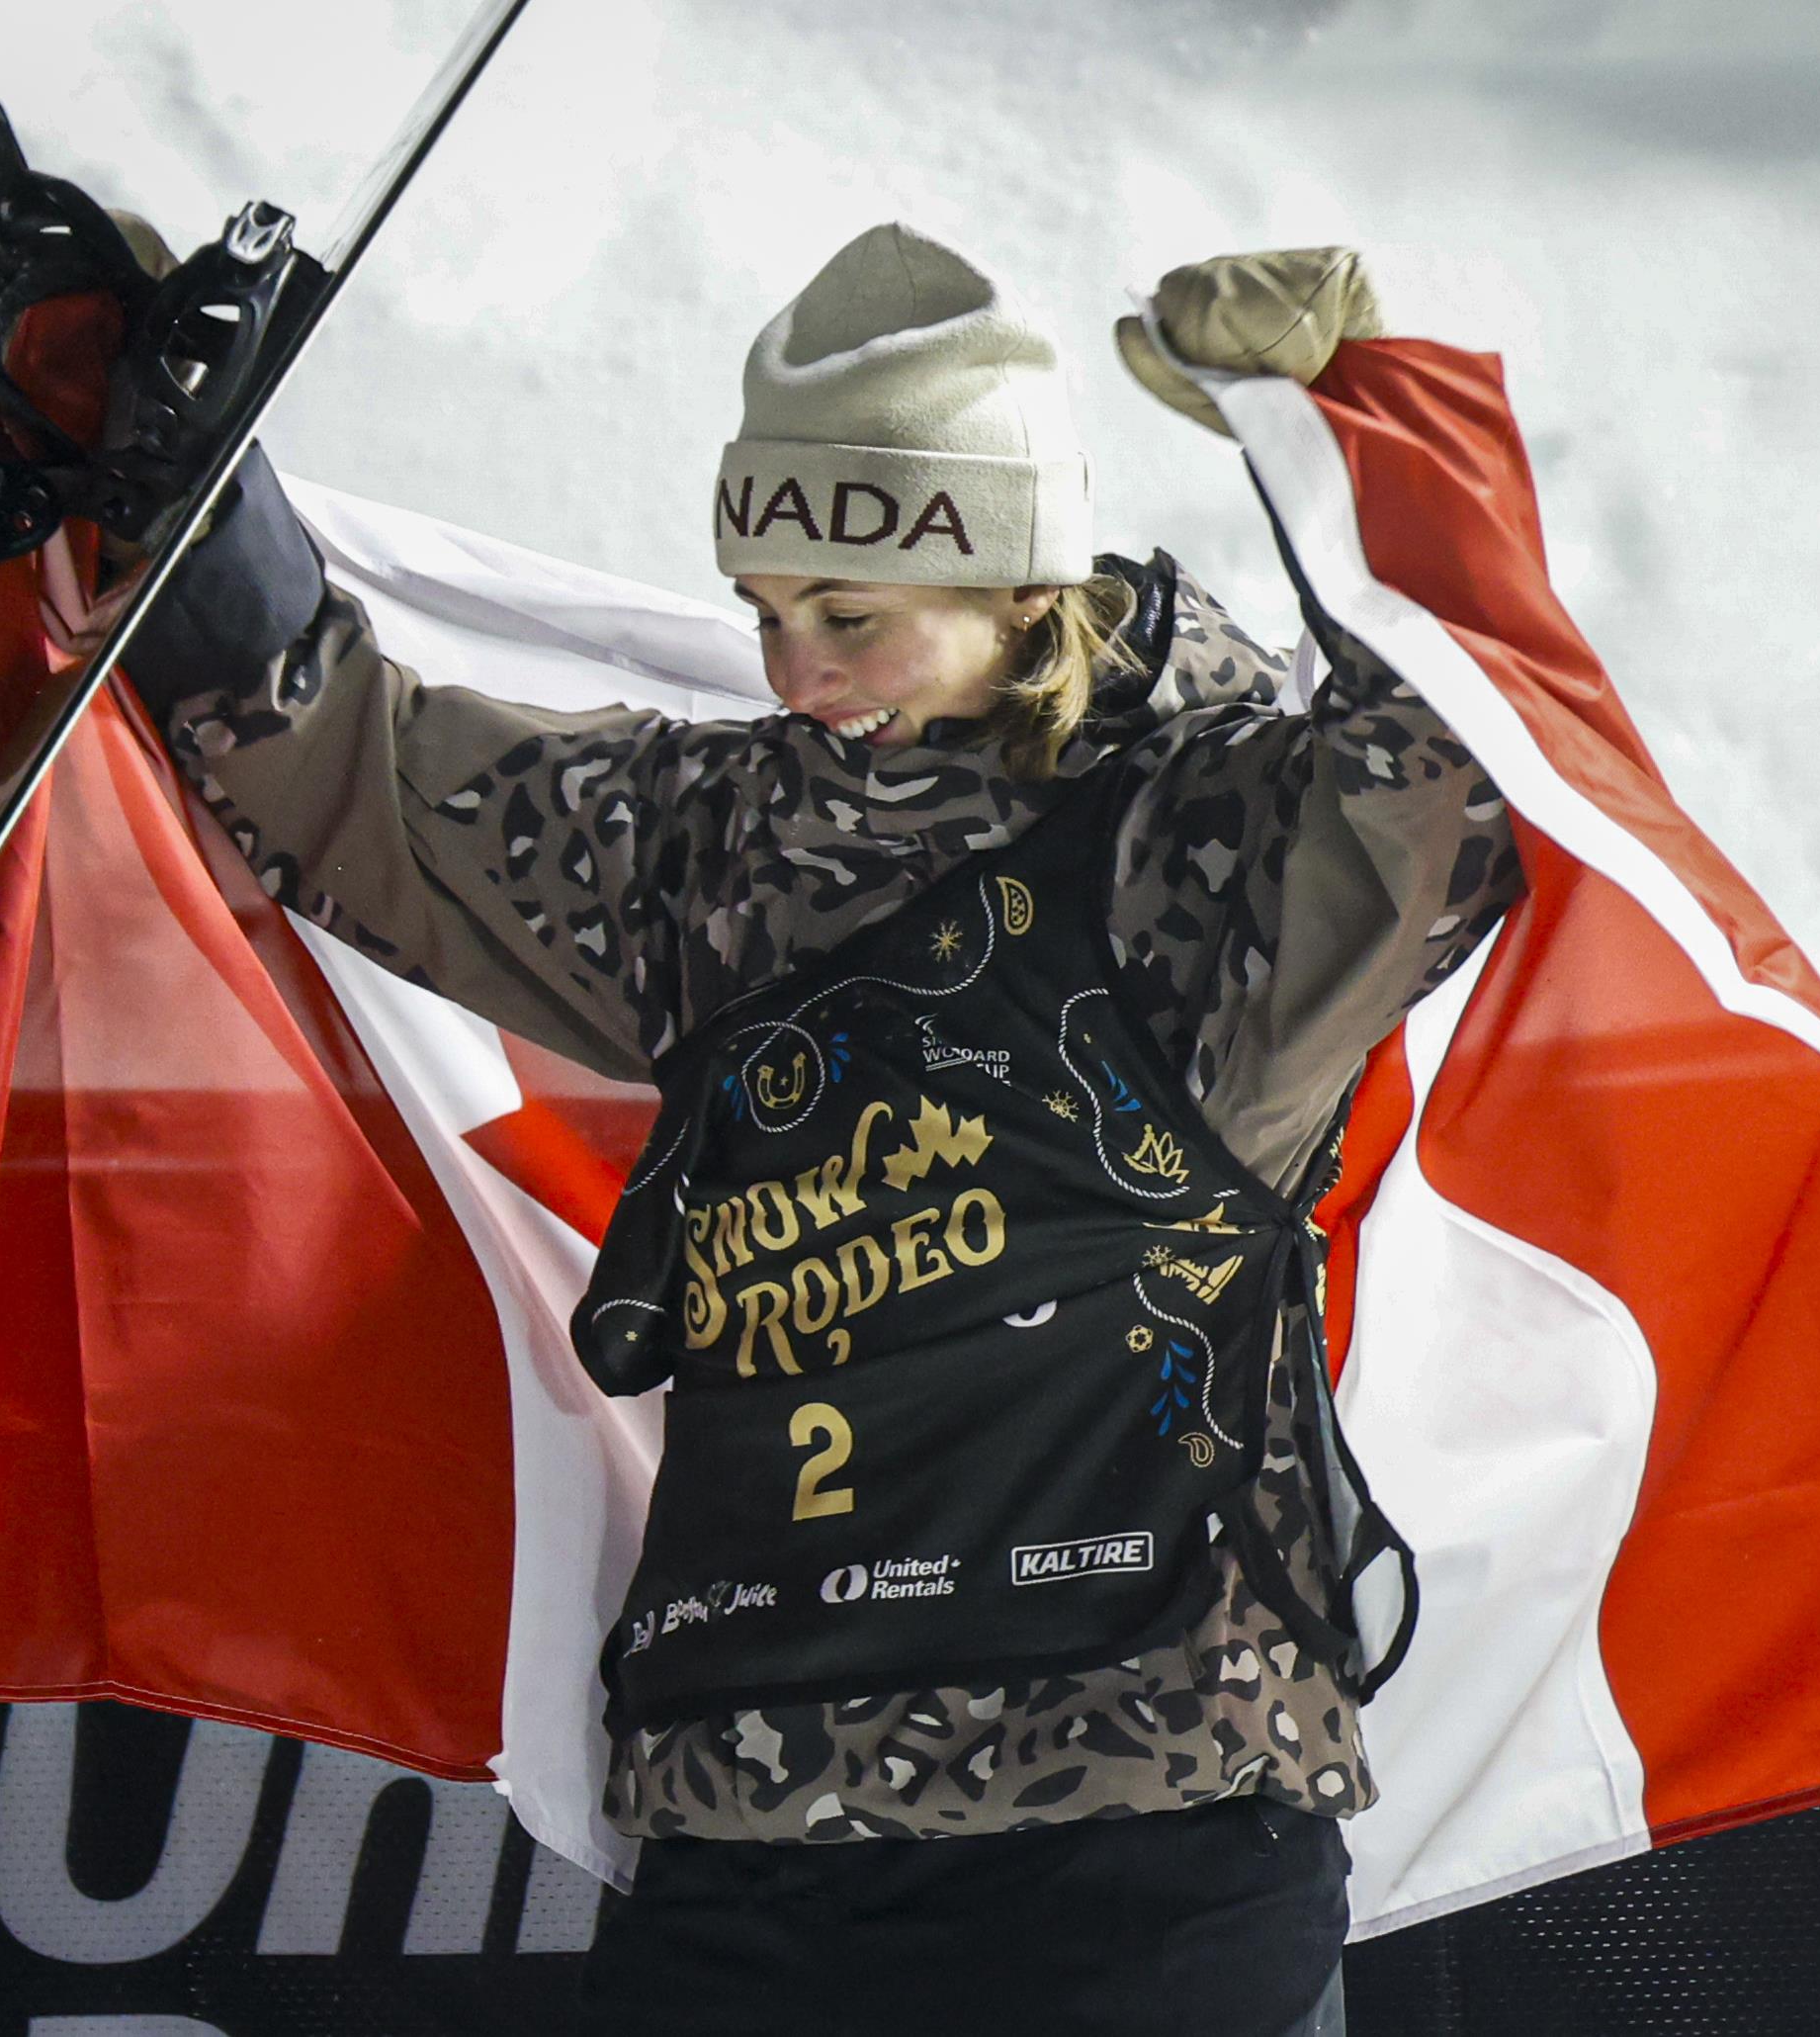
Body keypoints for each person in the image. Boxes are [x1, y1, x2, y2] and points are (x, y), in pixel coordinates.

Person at [121, 225, 1520, 2036]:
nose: (794, 671)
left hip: (1144, 1840)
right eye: (769, 611)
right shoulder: (719, 850)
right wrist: (173, 484)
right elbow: (359, 778)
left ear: (1023, 585)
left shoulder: (1211, 854)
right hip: (760, 1837)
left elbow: (1459, 781)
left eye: (847, 616)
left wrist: (1338, 435)